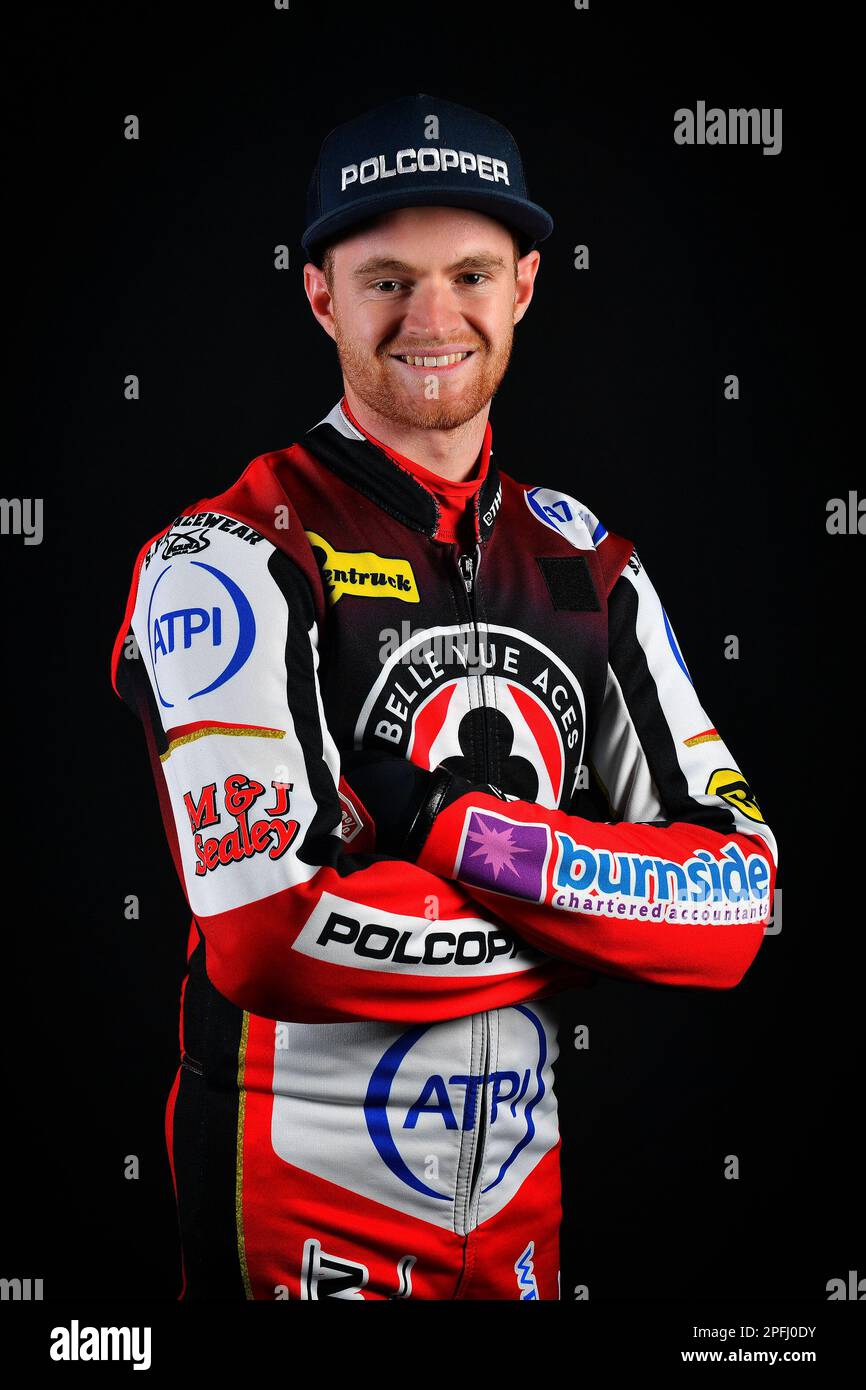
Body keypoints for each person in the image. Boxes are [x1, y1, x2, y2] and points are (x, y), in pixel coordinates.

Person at [110, 93, 778, 1301]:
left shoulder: (589, 562)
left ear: (523, 284)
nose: (432, 318)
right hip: (299, 1214)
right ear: (319, 295)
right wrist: (602, 928)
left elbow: (739, 905)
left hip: (522, 1210)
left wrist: (442, 828)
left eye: (469, 273)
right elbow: (270, 938)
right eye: (385, 280)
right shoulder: (226, 553)